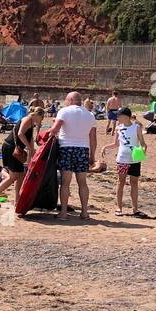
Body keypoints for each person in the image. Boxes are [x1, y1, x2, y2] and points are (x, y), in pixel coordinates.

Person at [52, 91, 97, 220]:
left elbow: (55, 129)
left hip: (66, 148)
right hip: (83, 149)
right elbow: (93, 138)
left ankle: (64, 213)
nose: (65, 102)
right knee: (82, 182)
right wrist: (92, 156)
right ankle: (84, 212)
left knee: (65, 183)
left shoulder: (64, 111)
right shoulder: (89, 115)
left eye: (66, 100)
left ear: (70, 100)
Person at [0, 105, 41, 200]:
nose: (42, 120)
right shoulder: (27, 120)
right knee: (14, 175)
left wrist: (32, 151)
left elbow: (30, 138)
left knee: (21, 175)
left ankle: (17, 199)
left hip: (14, 148)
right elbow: (20, 133)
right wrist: (28, 147)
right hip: (11, 148)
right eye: (42, 118)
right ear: (37, 115)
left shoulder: (31, 122)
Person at [113, 107, 146, 217]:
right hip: (122, 158)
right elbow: (116, 144)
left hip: (135, 158)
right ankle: (118, 207)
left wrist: (143, 151)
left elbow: (142, 143)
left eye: (119, 115)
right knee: (120, 182)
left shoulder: (136, 127)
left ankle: (135, 208)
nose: (117, 117)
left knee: (134, 183)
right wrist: (105, 147)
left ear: (126, 116)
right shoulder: (118, 128)